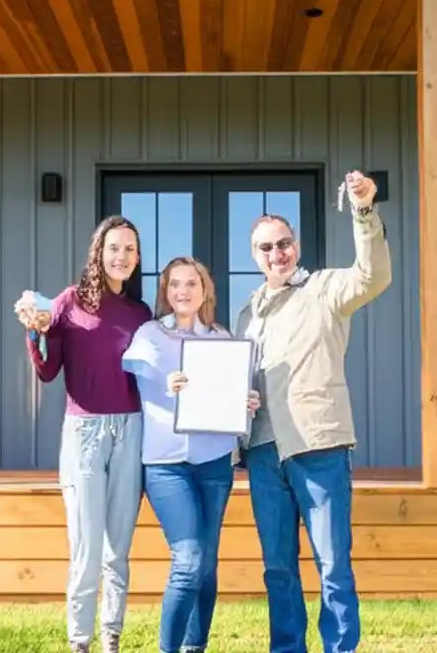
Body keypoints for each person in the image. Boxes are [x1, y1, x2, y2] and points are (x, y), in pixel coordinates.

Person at [236, 169, 391, 653]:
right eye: (266, 247)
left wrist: (364, 211)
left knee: (332, 563)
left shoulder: (326, 289)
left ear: (296, 246)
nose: (276, 253)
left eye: (284, 243)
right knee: (278, 567)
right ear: (254, 256)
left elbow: (374, 275)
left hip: (319, 445)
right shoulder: (247, 313)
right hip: (263, 453)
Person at [14, 215, 153, 653]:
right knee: (88, 550)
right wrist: (34, 332)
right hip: (85, 434)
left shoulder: (141, 313)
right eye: (114, 247)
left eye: (130, 249)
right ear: (98, 252)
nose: (122, 256)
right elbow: (48, 369)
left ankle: (111, 636)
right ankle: (80, 641)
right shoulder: (69, 303)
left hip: (131, 431)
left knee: (118, 549)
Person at [120, 256, 260, 653]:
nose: (183, 291)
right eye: (175, 284)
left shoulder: (222, 339)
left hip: (215, 463)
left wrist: (244, 401)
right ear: (165, 291)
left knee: (208, 565)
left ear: (204, 291)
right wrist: (165, 378)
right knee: (188, 560)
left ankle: (194, 647)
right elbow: (131, 364)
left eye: (192, 284)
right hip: (166, 466)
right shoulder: (150, 335)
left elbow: (233, 391)